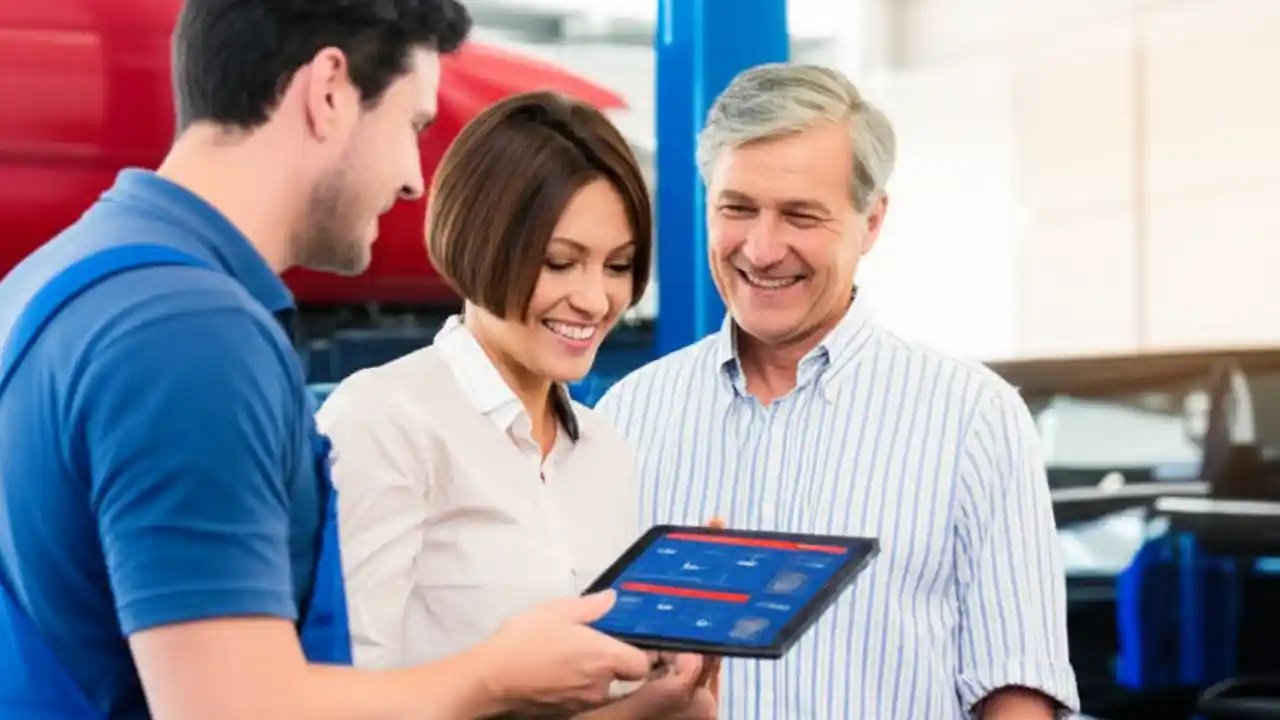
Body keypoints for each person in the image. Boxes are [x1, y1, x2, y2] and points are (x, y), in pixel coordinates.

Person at [0, 2, 659, 718]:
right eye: (412, 125)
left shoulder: (61, 279)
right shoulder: (193, 337)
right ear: (329, 91)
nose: (414, 180)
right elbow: (233, 710)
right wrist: (497, 675)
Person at [595, 63, 1081, 719]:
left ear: (872, 221)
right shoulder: (629, 416)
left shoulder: (973, 418)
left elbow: (1018, 686)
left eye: (800, 215)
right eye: (737, 208)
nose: (762, 249)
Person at [314, 91, 716, 720]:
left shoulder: (605, 449)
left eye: (618, 266)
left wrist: (661, 699)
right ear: (479, 243)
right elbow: (335, 701)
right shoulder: (384, 419)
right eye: (560, 263)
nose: (595, 300)